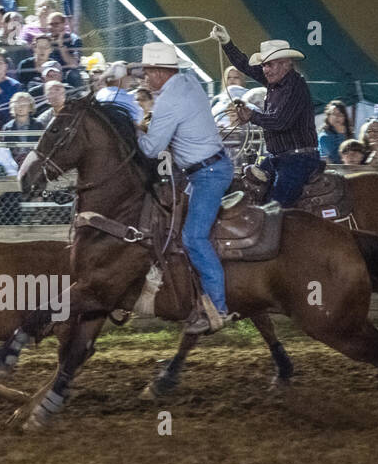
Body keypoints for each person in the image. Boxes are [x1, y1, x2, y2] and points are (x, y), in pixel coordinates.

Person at [136, 41, 233, 335]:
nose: (145, 77)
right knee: (180, 229)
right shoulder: (189, 82)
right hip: (208, 169)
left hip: (207, 175)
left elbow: (152, 149)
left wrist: (132, 132)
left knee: (193, 236)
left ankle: (219, 308)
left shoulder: (168, 100)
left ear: (159, 72)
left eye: (147, 71)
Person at [212, 25, 321, 210]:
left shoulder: (295, 87)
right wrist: (226, 43)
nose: (265, 70)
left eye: (269, 64)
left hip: (298, 159)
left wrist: (251, 115)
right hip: (279, 157)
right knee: (250, 187)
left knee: (274, 208)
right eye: (264, 65)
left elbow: (281, 122)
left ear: (286, 63)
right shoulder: (275, 82)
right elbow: (246, 66)